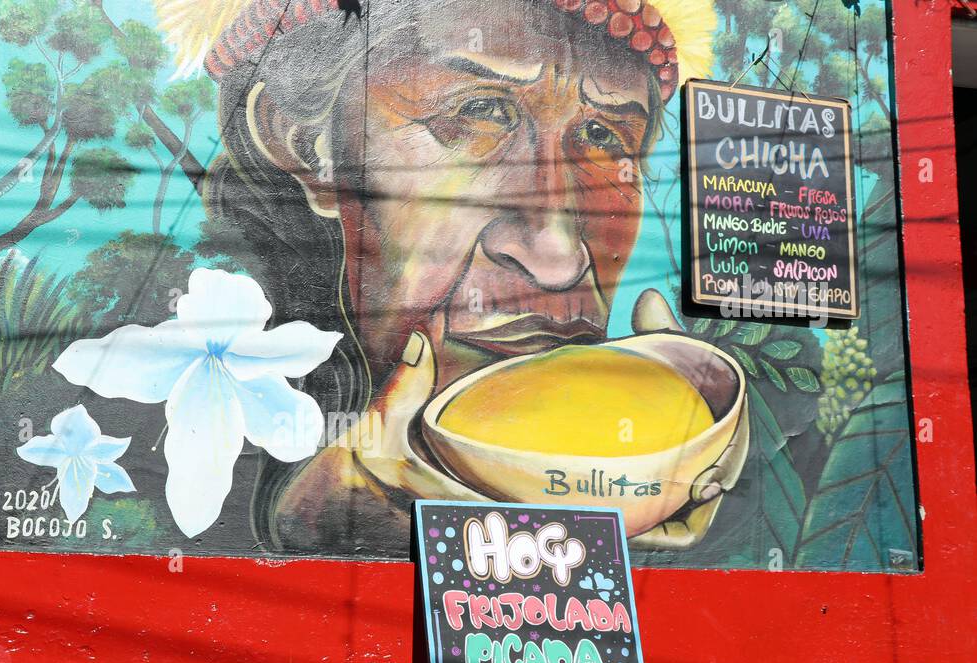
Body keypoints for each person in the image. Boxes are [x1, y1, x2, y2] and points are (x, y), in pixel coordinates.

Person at [159, 0, 746, 555]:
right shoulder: (151, 400)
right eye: (479, 111)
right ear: (307, 145)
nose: (559, 255)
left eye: (603, 137)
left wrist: (664, 447)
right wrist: (322, 523)